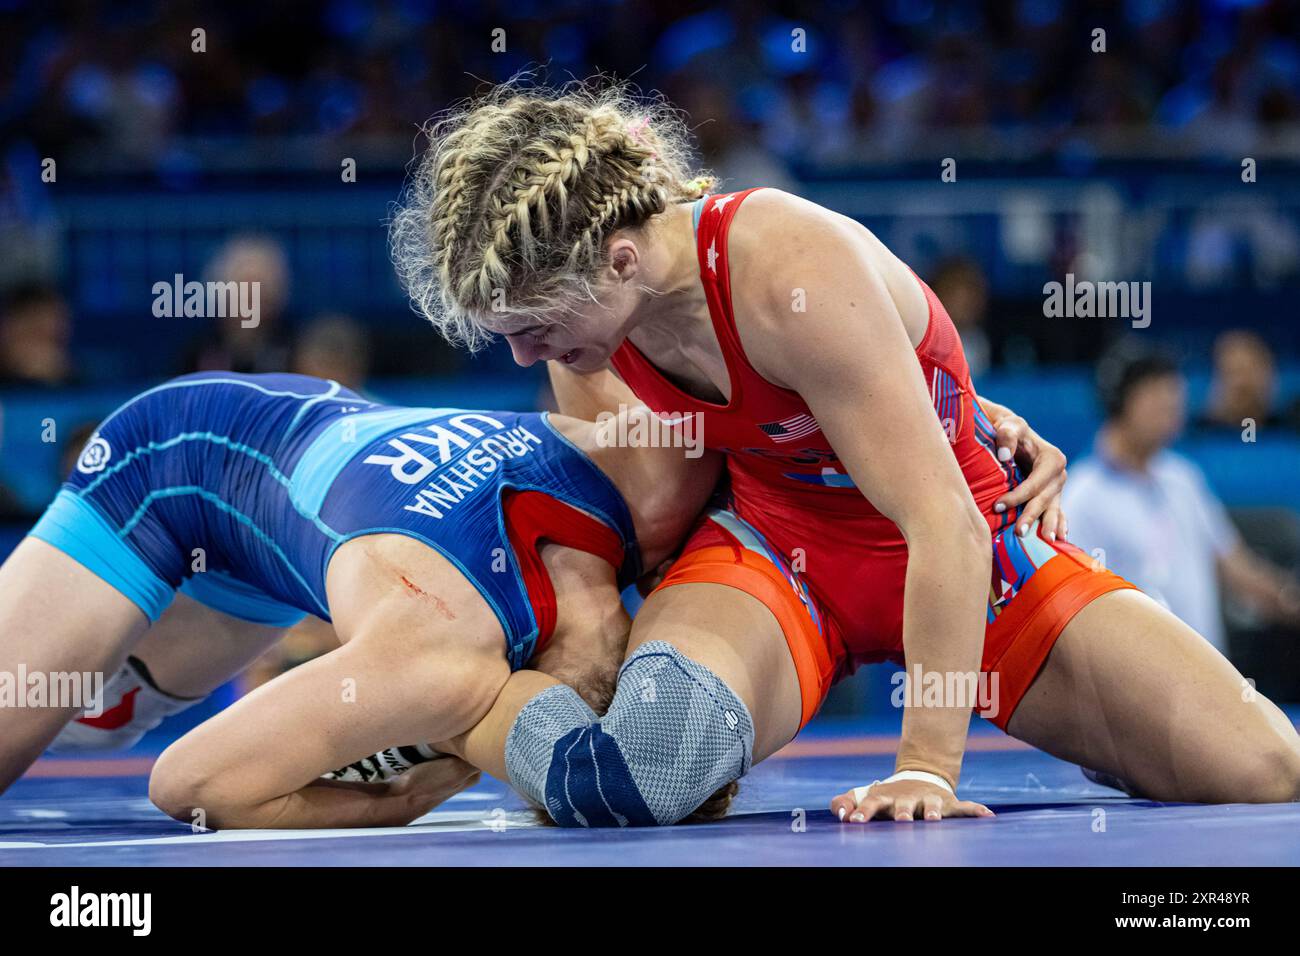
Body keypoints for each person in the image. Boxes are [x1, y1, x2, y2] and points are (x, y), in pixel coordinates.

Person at [390, 81, 1300, 825]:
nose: (523, 355)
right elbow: (659, 516)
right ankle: (458, 708)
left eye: (535, 325)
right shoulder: (592, 332)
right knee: (644, 770)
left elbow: (941, 519)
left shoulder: (789, 271)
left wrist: (929, 770)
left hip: (962, 544)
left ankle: (1120, 736)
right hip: (781, 553)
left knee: (1264, 768)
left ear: (619, 261)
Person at [0, 370, 717, 827]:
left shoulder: (651, 480)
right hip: (163, 465)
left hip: (279, 504)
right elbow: (188, 785)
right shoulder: (446, 669)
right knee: (63, 711)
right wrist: (396, 801)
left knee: (97, 719)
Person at [1064, 348, 1300, 654]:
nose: (1172, 408)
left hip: (1211, 675)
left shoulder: (1182, 478)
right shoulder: (1081, 496)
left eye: (1174, 397)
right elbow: (1074, 607)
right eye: (1158, 397)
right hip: (1133, 684)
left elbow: (1237, 570)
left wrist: (1290, 599)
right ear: (1121, 402)